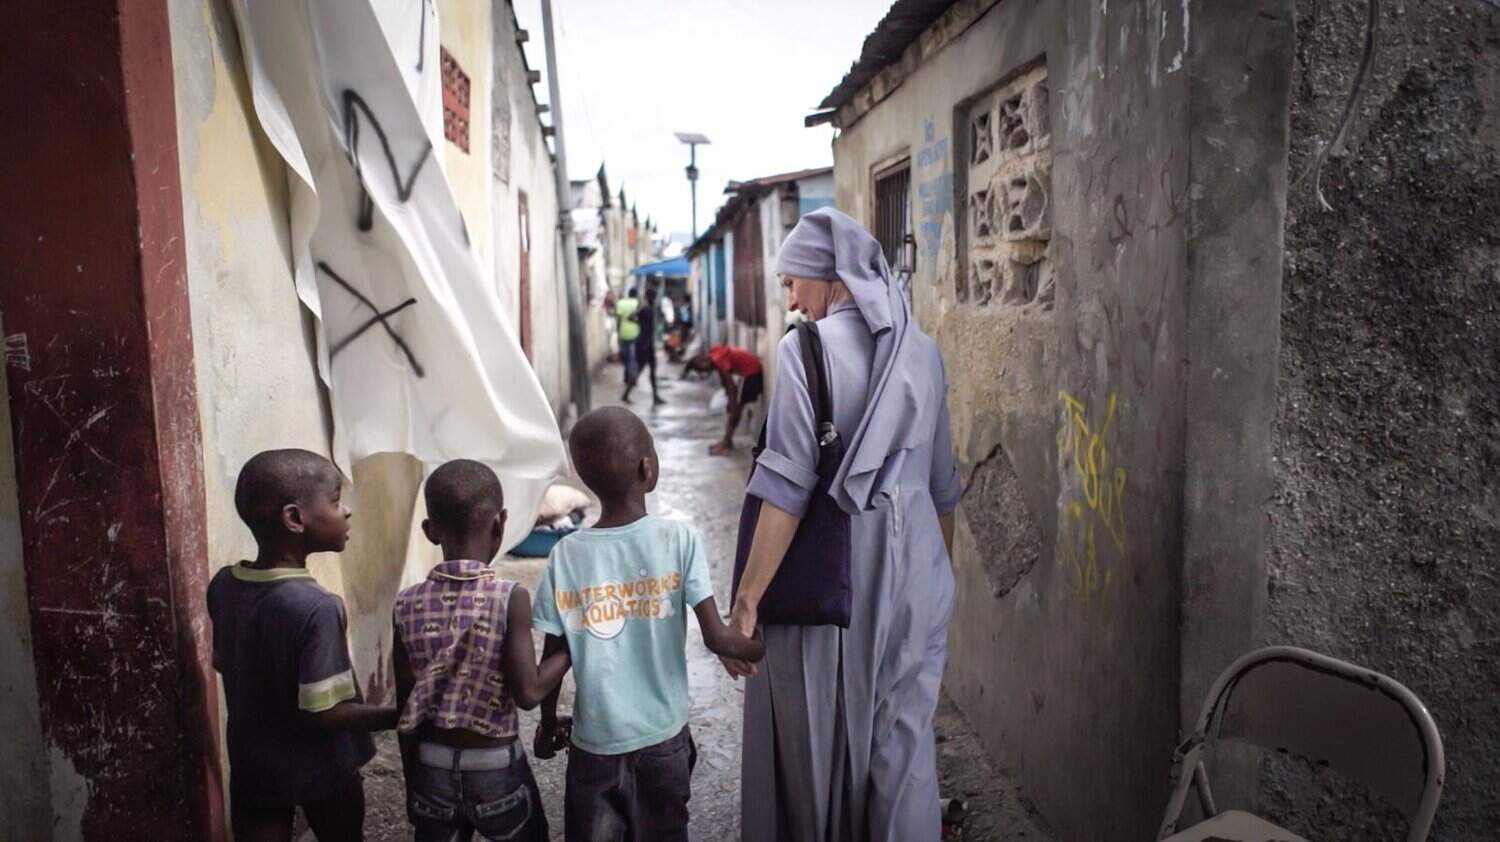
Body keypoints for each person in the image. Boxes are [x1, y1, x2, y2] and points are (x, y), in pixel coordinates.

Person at [723, 207, 962, 842]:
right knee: (905, 746)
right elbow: (943, 487)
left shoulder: (805, 350)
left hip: (847, 564)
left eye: (792, 280)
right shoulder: (924, 350)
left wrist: (746, 603)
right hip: (921, 567)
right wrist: (934, 586)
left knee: (829, 742)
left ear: (827, 277)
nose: (790, 296)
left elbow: (787, 487)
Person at [531, 407, 765, 842]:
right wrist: (758, 645)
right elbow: (718, 637)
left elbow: (552, 655)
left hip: (595, 743)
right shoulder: (678, 539)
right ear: (647, 467)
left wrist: (548, 725)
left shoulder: (566, 554)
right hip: (664, 739)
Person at [208, 449, 398, 842]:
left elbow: (225, 664)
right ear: (295, 519)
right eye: (335, 501)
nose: (347, 512)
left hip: (254, 764)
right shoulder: (317, 608)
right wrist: (398, 714)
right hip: (323, 767)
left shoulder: (224, 585)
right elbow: (326, 715)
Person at [392, 460, 572, 842]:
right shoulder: (509, 598)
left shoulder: (405, 604)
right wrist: (571, 648)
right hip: (496, 770)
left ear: (429, 530)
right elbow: (529, 693)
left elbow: (407, 711)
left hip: (431, 768)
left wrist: (414, 786)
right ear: (500, 523)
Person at [686, 344, 763, 455]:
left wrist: (732, 403)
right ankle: (727, 441)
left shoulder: (718, 359)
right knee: (733, 409)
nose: (704, 372)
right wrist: (730, 400)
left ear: (702, 361)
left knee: (735, 411)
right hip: (749, 373)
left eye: (701, 369)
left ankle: (726, 443)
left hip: (751, 374)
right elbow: (726, 384)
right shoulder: (715, 356)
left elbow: (730, 386)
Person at [625, 286, 665, 405]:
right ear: (649, 297)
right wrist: (639, 318)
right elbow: (630, 317)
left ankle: (655, 397)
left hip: (646, 343)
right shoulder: (646, 309)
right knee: (642, 370)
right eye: (653, 296)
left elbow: (632, 318)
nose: (654, 298)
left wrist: (639, 321)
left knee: (651, 371)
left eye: (655, 296)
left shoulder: (649, 309)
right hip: (644, 344)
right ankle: (626, 394)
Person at [614, 287, 642, 392]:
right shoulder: (638, 303)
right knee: (633, 357)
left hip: (623, 332)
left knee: (625, 356)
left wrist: (618, 331)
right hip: (636, 333)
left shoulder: (620, 303)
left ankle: (626, 377)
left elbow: (619, 319)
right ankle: (633, 378)